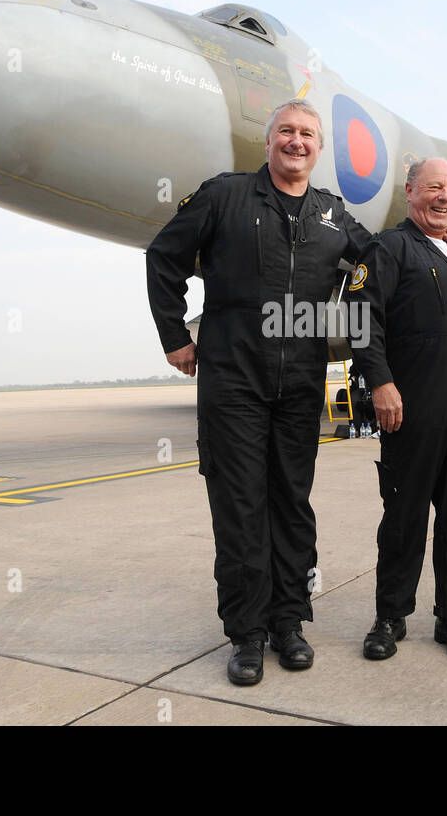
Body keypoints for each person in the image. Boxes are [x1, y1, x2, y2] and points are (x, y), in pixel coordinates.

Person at [145, 98, 372, 686]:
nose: (297, 142)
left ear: (319, 149)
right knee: (241, 507)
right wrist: (175, 334)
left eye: (308, 135)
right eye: (287, 133)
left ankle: (289, 620)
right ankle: (247, 633)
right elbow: (164, 257)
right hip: (233, 380)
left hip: (300, 381)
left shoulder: (331, 215)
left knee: (291, 505)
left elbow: (379, 260)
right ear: (268, 142)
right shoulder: (225, 196)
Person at [349, 158, 447, 662]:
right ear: (410, 192)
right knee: (404, 516)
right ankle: (390, 617)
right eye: (433, 188)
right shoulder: (388, 248)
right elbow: (362, 318)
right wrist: (380, 382)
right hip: (412, 409)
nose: (444, 197)